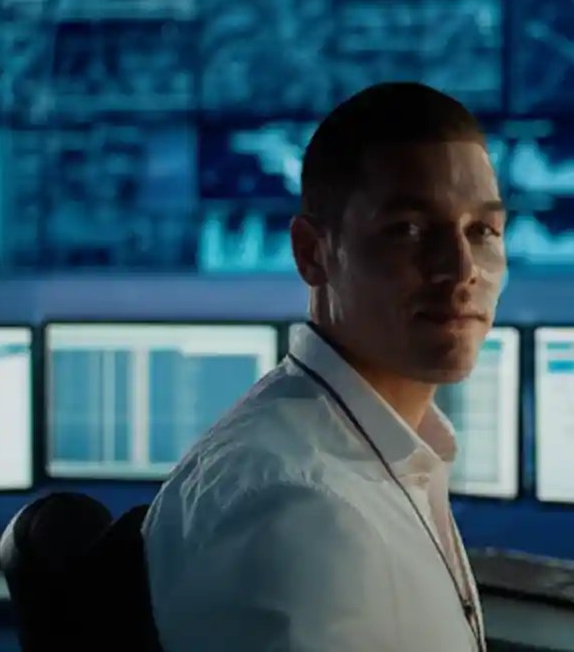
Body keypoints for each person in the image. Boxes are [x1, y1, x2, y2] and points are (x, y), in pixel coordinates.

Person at [143, 81, 507, 651]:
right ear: (314, 254)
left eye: (482, 231)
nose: (460, 269)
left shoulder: (380, 451)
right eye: (408, 230)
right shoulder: (298, 509)